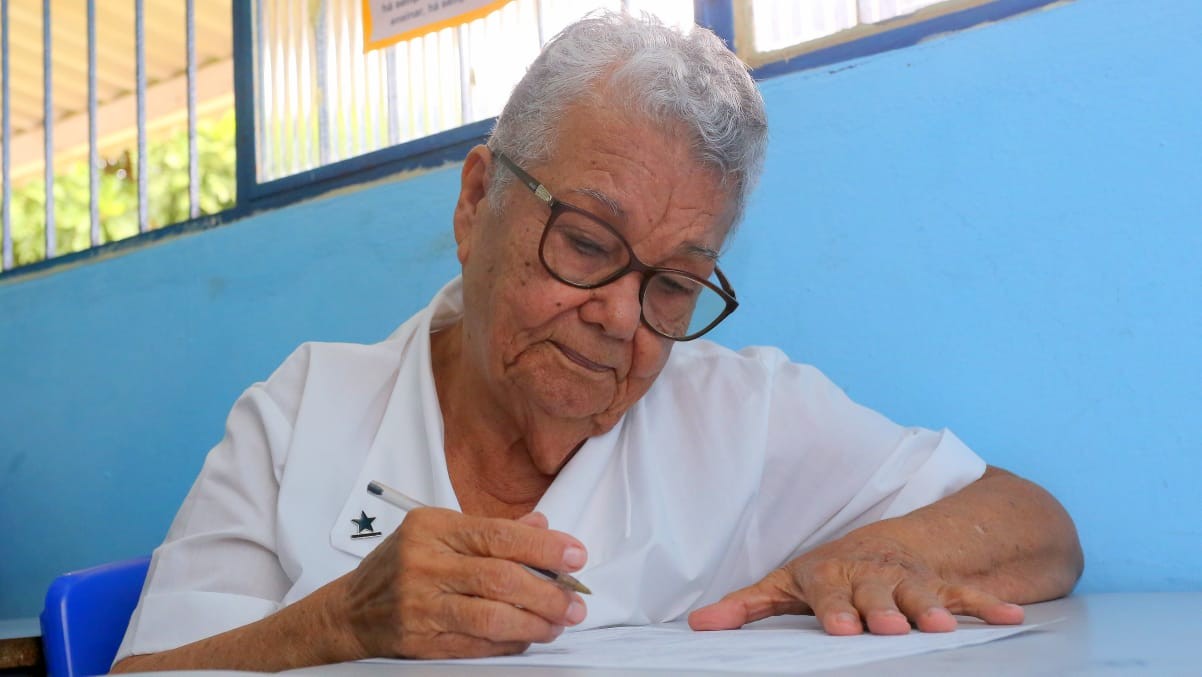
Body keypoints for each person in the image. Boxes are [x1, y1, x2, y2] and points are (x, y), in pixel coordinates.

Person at [111, 10, 1082, 673]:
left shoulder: (741, 415)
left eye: (672, 283)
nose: (621, 314)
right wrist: (337, 621)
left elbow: (1033, 522)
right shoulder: (303, 411)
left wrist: (878, 552)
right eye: (585, 242)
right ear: (476, 200)